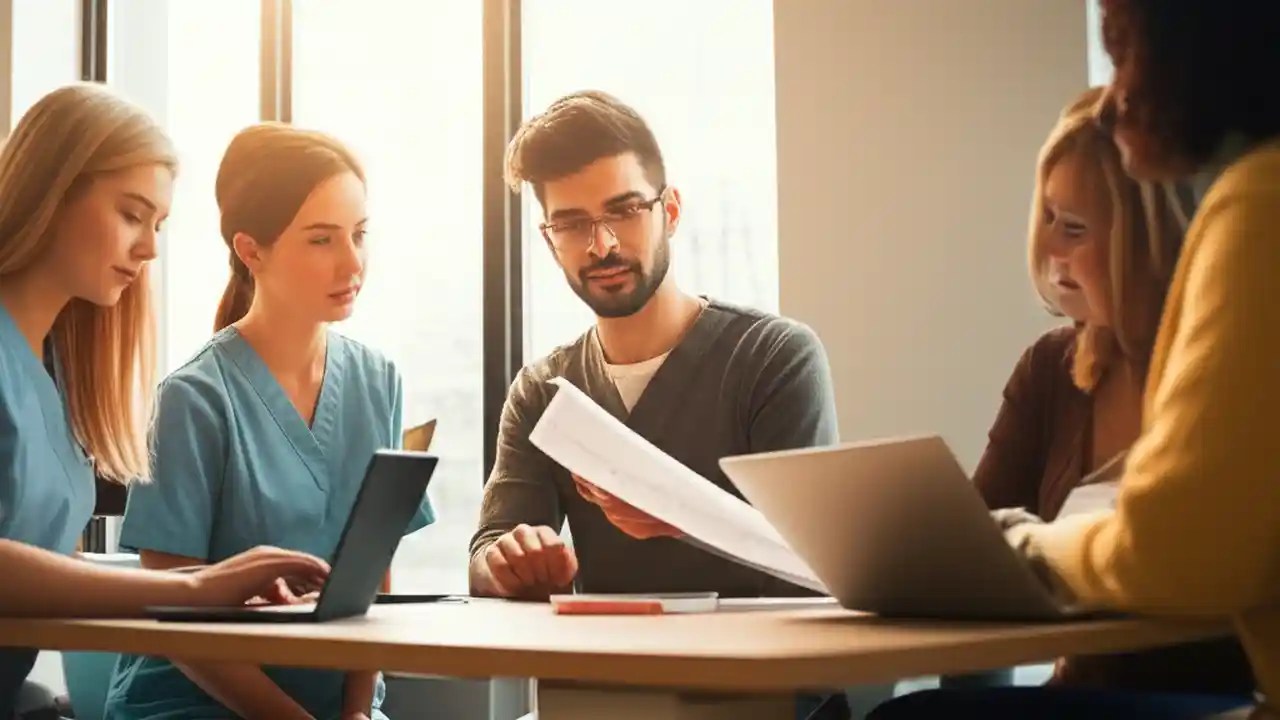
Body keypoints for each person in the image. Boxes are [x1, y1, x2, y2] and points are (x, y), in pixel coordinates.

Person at [871, 0, 1280, 717]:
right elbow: (973, 532)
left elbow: (1179, 555)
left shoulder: (1261, 206)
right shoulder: (1051, 367)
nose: (1116, 97)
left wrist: (1033, 548)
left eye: (1125, 53)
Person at [469, 91, 849, 719]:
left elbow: (817, 567)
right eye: (571, 223)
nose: (602, 244)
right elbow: (487, 550)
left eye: (625, 211)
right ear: (549, 238)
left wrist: (684, 513)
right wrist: (507, 562)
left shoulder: (774, 358)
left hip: (764, 702)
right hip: (600, 702)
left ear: (669, 210)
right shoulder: (542, 390)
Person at [0, 84, 329, 719]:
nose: (149, 248)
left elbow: (47, 572)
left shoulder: (55, 370)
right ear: (52, 191)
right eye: (131, 214)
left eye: (158, 225)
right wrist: (195, 584)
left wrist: (201, 586)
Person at [104, 124, 434, 720]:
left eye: (359, 235)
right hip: (193, 706)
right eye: (321, 240)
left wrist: (358, 712)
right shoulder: (192, 400)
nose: (352, 261)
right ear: (251, 249)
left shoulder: (378, 381)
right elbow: (175, 620)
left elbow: (372, 576)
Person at [965, 86, 1253, 694]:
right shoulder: (1049, 369)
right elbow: (970, 546)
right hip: (1083, 692)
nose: (1047, 249)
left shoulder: (1227, 367)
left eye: (1074, 228)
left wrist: (1033, 549)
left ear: (1153, 240)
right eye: (1045, 217)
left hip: (1218, 694)